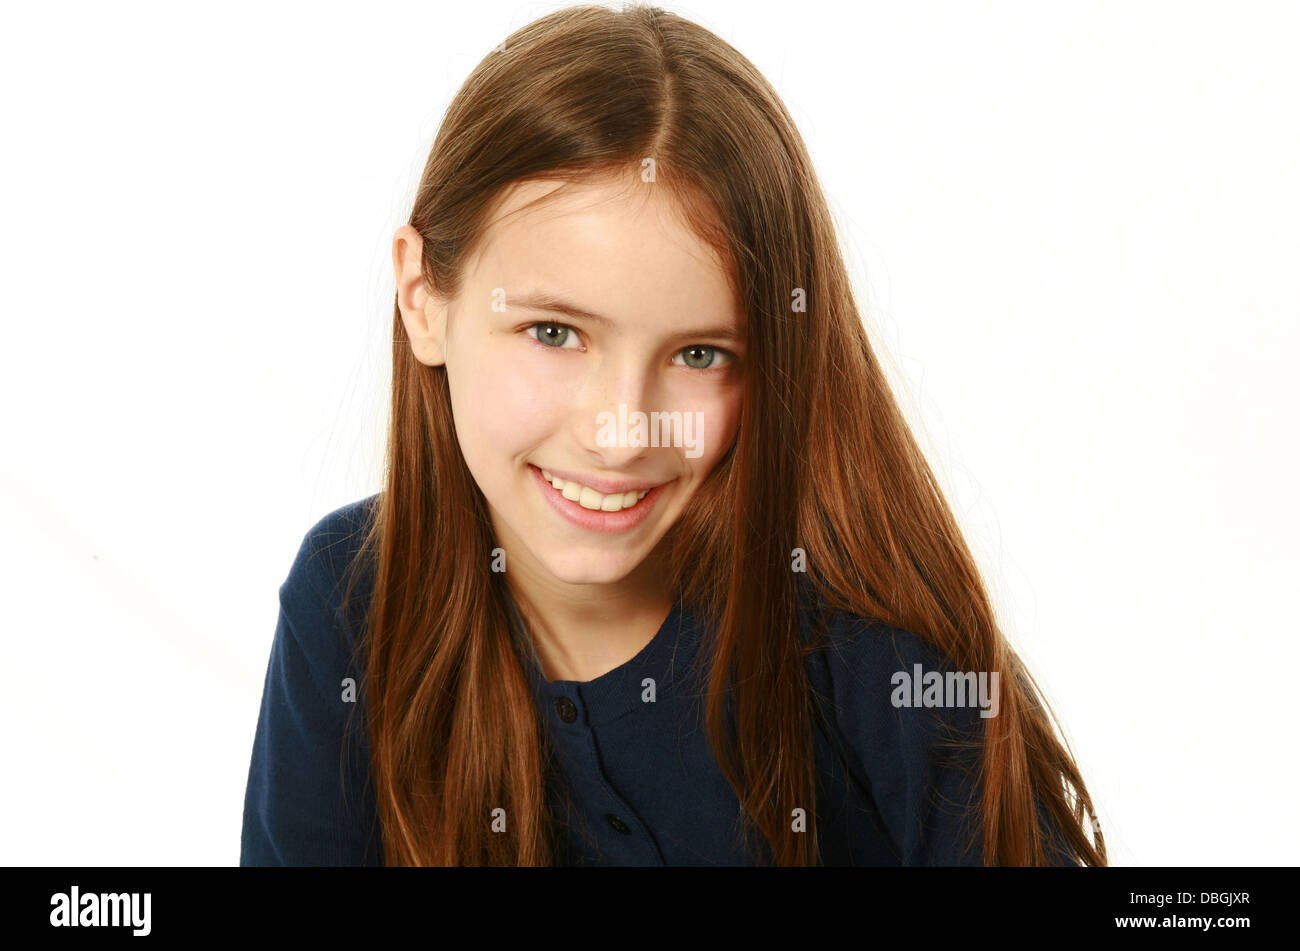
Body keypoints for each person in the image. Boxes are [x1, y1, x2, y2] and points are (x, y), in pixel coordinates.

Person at [241, 2, 1105, 866]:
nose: (620, 433)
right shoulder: (350, 600)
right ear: (423, 298)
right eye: (554, 333)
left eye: (698, 352)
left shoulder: (866, 638)